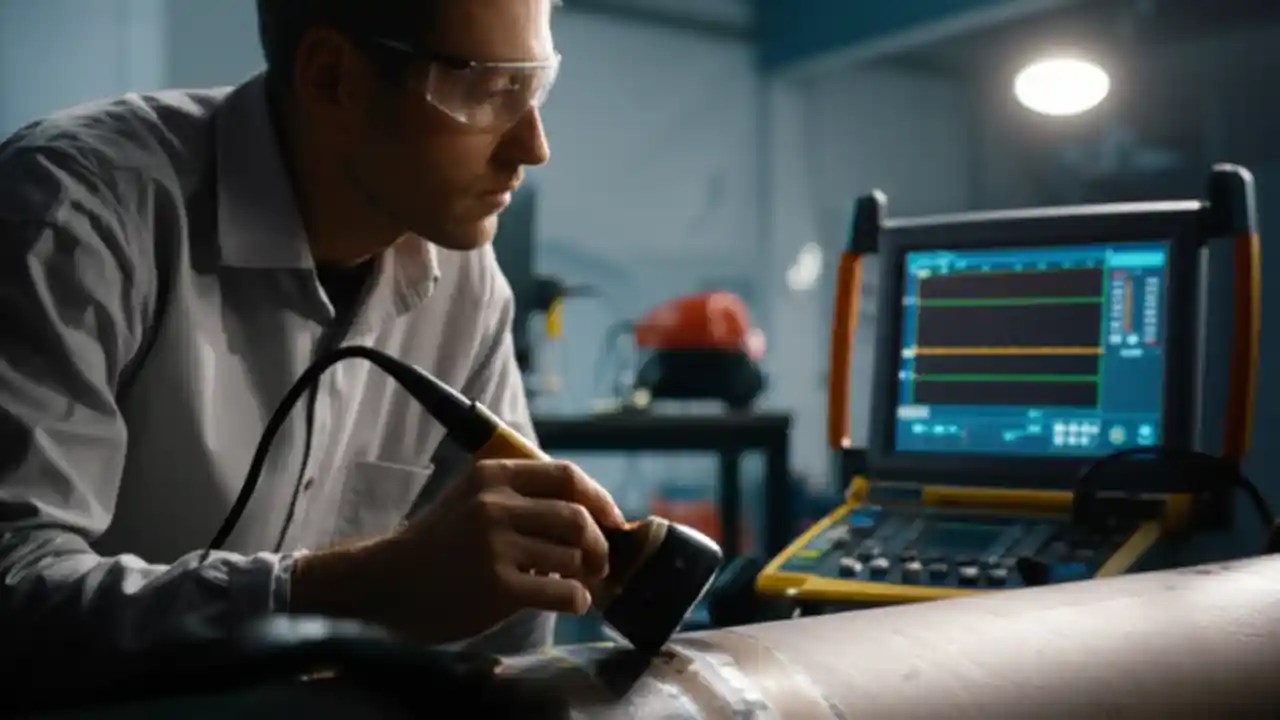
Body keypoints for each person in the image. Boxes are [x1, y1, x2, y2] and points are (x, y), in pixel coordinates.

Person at [0, 0, 625, 682]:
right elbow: (15, 587)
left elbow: (510, 627)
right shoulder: (73, 214)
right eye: (486, 89)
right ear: (332, 78)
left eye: (534, 86)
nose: (533, 146)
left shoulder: (466, 284)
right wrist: (353, 590)